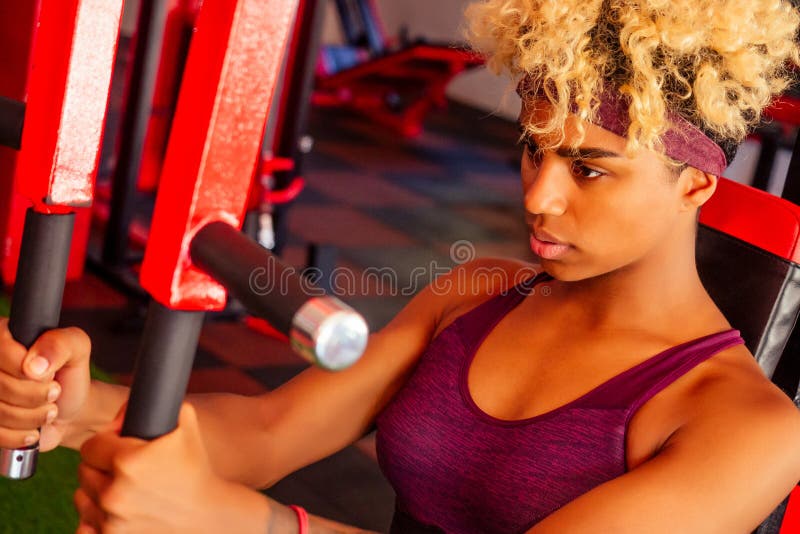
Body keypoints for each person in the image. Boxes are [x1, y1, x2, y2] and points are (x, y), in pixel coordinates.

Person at [3, 0, 800, 532]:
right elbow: (272, 427)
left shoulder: (751, 429)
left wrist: (239, 520)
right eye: (532, 151)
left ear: (696, 183)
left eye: (588, 168)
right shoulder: (480, 290)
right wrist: (84, 409)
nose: (539, 198)